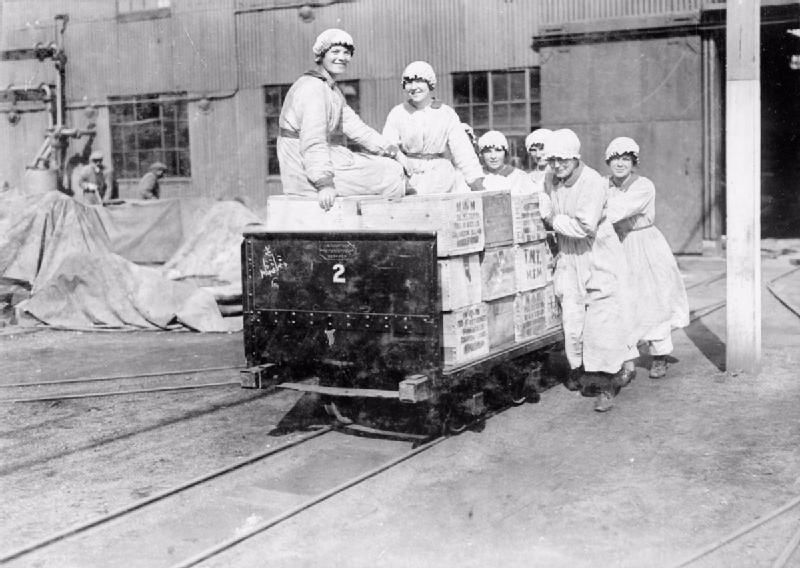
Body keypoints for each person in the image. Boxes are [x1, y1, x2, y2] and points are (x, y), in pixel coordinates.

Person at [538, 129, 631, 412]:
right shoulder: (550, 178)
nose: (557, 166)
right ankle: (581, 370)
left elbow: (584, 226)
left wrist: (553, 219)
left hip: (597, 253)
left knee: (602, 320)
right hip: (569, 254)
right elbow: (543, 201)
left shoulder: (592, 182)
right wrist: (550, 214)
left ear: (575, 157)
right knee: (573, 315)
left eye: (563, 160)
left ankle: (608, 382)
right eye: (552, 160)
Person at [277, 28, 406, 211]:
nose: (342, 57)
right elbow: (312, 141)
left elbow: (356, 128)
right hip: (302, 166)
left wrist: (390, 150)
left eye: (346, 53)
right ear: (321, 55)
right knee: (390, 174)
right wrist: (324, 183)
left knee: (390, 165)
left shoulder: (331, 90)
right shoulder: (312, 89)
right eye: (335, 52)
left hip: (315, 159)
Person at [603, 137, 690, 379]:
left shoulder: (643, 185)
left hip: (644, 243)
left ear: (633, 162)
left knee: (654, 299)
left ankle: (659, 355)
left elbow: (618, 211)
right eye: (615, 159)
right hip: (617, 244)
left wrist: (589, 215)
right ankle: (624, 356)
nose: (620, 164)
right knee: (621, 300)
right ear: (608, 161)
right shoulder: (603, 184)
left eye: (626, 159)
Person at [382, 61, 484, 194]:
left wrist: (476, 183)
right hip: (409, 179)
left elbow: (462, 151)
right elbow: (388, 147)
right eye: (409, 82)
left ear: (430, 83)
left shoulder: (446, 113)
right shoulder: (398, 113)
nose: (414, 87)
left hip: (440, 179)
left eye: (419, 81)